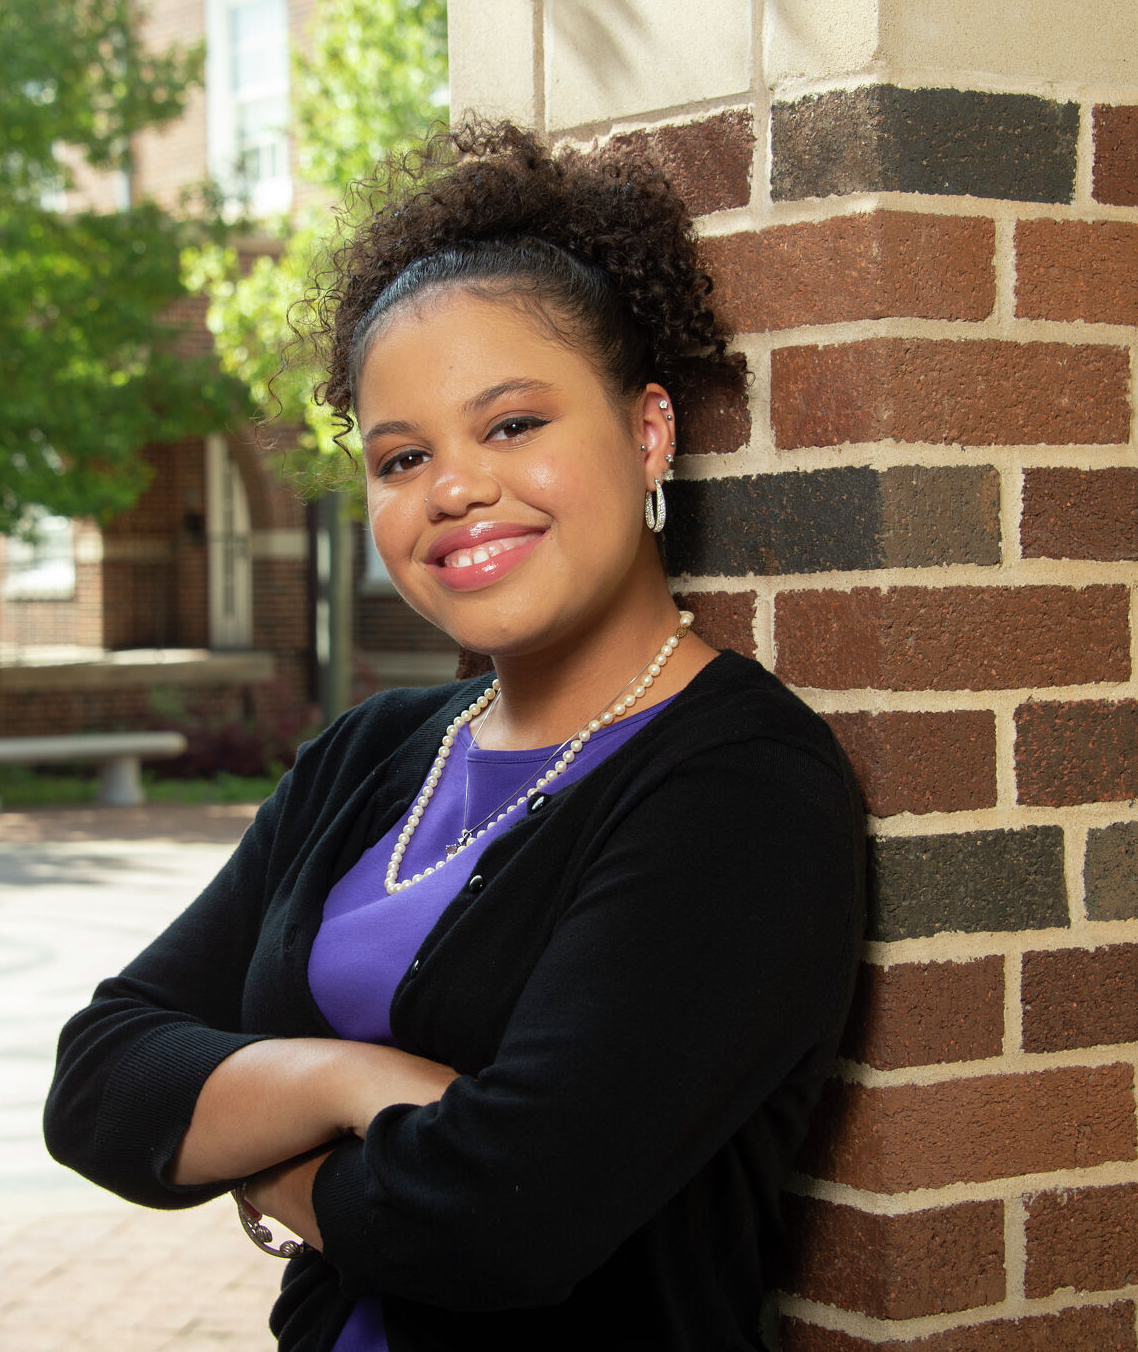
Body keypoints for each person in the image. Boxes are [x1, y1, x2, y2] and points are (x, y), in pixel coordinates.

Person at [43, 122, 867, 1351]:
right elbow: (101, 1077)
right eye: (401, 455)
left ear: (648, 432)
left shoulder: (741, 789)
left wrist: (261, 1165)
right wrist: (348, 1082)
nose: (453, 488)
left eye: (514, 425)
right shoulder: (370, 754)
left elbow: (501, 1217)